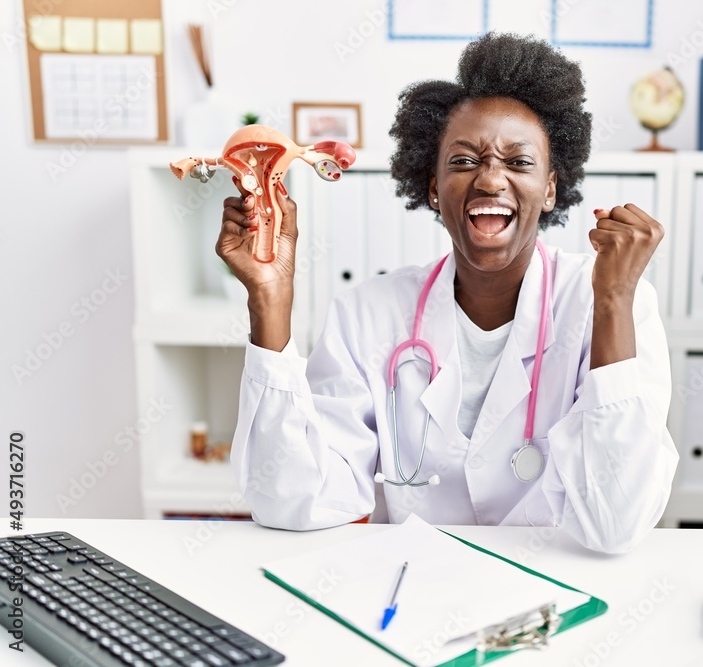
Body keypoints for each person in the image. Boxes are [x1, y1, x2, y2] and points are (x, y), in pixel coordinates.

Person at [218, 33, 678, 554]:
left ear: (551, 187)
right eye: (463, 161)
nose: (490, 179)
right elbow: (291, 500)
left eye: (519, 162)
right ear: (433, 186)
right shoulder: (369, 313)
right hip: (411, 595)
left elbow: (615, 525)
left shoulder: (609, 302)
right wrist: (269, 300)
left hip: (554, 598)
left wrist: (614, 298)